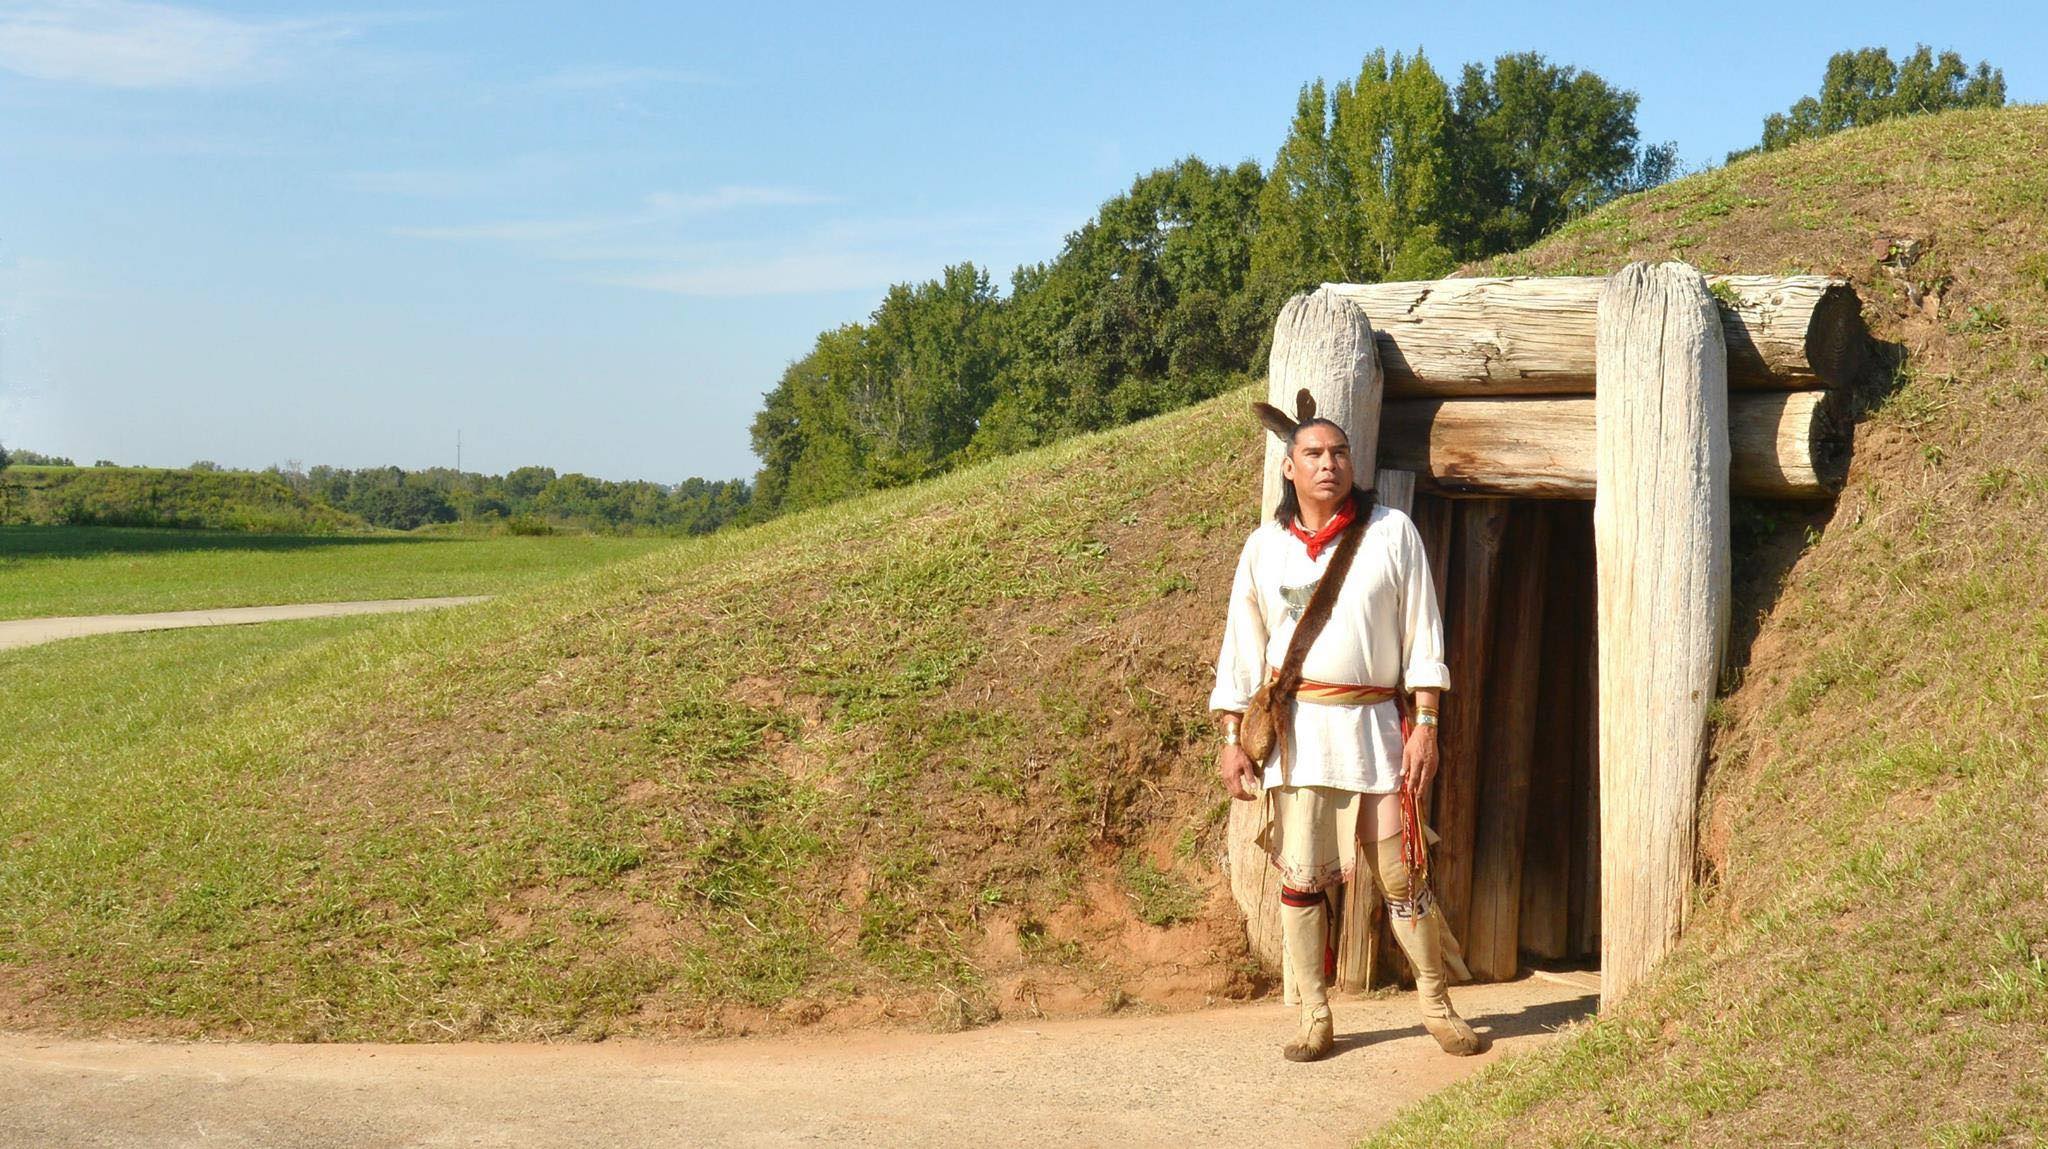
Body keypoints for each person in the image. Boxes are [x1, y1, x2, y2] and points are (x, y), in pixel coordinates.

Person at [1209, 400, 1483, 1062]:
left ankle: (1437, 1006)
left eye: (1338, 453)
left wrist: (1425, 723)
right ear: (1289, 467)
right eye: (1314, 454)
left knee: (1400, 872)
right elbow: (1242, 648)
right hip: (1299, 738)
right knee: (1302, 877)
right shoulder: (1263, 547)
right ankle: (1313, 1015)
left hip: (1376, 731)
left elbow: (1423, 630)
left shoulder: (1391, 532)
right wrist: (1229, 737)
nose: (1329, 464)